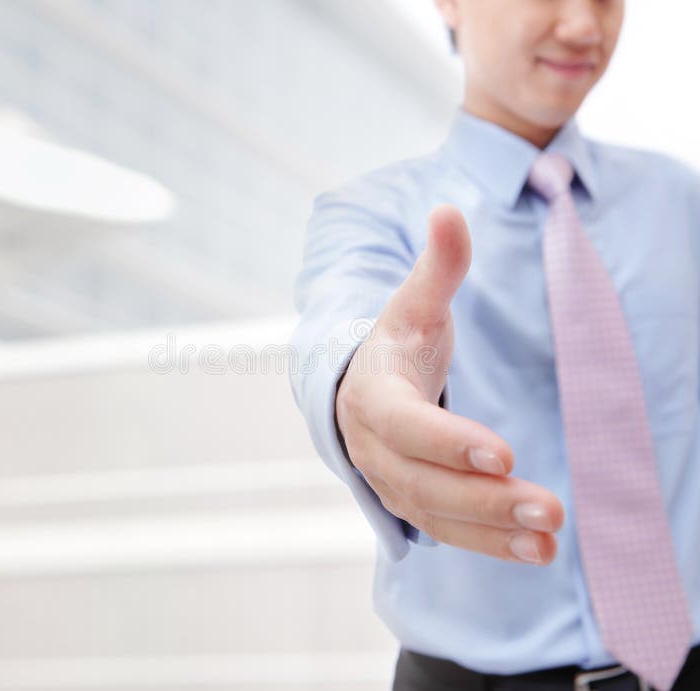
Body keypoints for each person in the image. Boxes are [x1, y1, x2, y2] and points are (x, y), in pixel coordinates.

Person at [288, 1, 700, 690]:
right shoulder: (371, 213)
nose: (582, 27)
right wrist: (362, 391)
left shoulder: (681, 202)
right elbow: (341, 323)